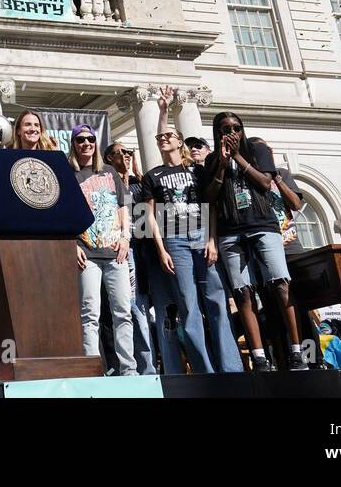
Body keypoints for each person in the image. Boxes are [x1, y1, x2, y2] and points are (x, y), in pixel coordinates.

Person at [141, 94, 243, 375]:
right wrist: (161, 250)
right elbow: (150, 217)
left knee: (216, 301)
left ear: (180, 142)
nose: (163, 139)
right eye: (160, 137)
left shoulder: (197, 171)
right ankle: (204, 371)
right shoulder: (153, 176)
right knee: (188, 306)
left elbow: (210, 205)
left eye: (169, 136)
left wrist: (212, 240)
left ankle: (231, 368)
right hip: (174, 241)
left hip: (201, 235)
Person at [201, 112, 306, 371]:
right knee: (243, 292)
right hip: (230, 231)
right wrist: (222, 165)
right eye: (226, 129)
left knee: (281, 284)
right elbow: (210, 198)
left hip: (262, 225)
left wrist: (238, 157)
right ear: (217, 132)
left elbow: (265, 183)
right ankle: (259, 357)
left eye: (236, 127)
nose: (232, 133)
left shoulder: (257, 150)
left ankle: (297, 352)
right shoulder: (212, 159)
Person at [69, 124, 135, 376]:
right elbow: (63, 214)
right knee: (90, 314)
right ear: (73, 144)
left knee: (123, 312)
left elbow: (123, 206)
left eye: (90, 139)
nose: (86, 143)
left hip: (116, 252)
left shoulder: (109, 171)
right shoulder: (69, 175)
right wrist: (72, 244)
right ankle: (92, 371)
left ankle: (129, 369)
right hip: (87, 254)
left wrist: (126, 237)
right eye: (80, 140)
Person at [105, 141, 156, 375]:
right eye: (121, 152)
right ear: (109, 158)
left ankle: (151, 364)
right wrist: (123, 179)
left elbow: (150, 209)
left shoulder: (138, 182)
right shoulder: (107, 181)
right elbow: (119, 207)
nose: (126, 155)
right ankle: (143, 368)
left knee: (145, 308)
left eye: (129, 152)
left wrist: (135, 173)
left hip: (146, 249)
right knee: (133, 308)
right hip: (124, 251)